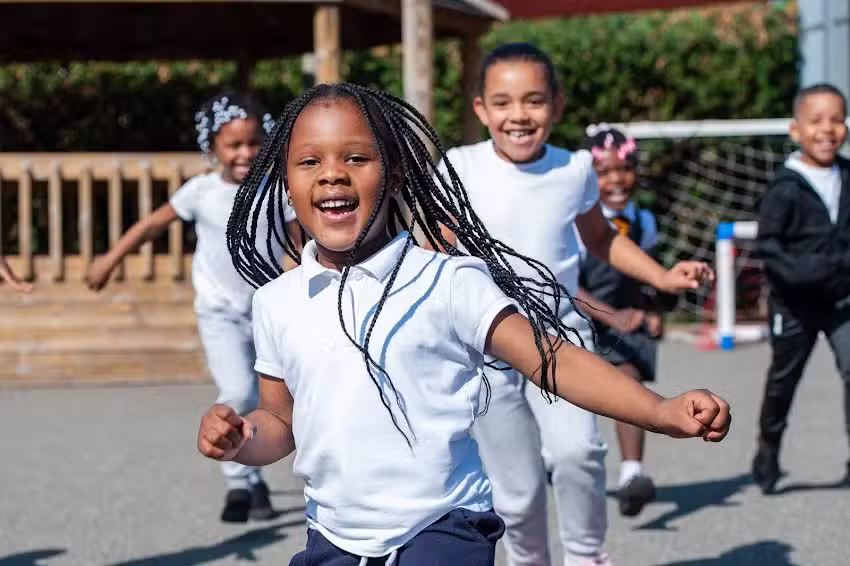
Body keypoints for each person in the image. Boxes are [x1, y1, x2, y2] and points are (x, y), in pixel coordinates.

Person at [197, 82, 731, 566]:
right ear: (285, 183)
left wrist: (659, 411)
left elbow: (553, 359)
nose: (332, 172)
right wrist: (243, 437)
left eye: (357, 157)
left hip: (445, 528)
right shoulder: (276, 302)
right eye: (308, 162)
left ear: (397, 174)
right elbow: (280, 422)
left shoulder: (448, 281)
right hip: (334, 538)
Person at [434, 43, 714, 566]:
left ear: (557, 106)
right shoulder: (457, 168)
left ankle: (586, 556)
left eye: (534, 101)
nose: (519, 115)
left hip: (559, 335)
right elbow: (434, 250)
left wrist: (662, 275)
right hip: (487, 346)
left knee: (578, 452)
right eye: (503, 102)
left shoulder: (574, 169)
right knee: (515, 492)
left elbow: (602, 239)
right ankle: (529, 560)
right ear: (481, 110)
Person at [87, 91, 302, 522]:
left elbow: (298, 244)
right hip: (219, 313)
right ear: (213, 147)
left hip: (266, 311)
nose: (245, 153)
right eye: (234, 145)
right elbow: (152, 224)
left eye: (254, 142)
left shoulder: (275, 190)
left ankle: (253, 476)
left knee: (278, 396)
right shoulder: (201, 192)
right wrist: (110, 259)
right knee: (239, 391)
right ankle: (239, 483)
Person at [753, 82, 850, 494]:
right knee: (783, 381)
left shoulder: (848, 176)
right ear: (796, 130)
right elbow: (769, 246)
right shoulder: (785, 188)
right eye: (816, 121)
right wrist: (804, 274)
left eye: (837, 120)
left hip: (843, 301)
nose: (827, 129)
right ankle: (769, 447)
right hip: (794, 305)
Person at [576, 124, 674, 517]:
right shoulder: (577, 223)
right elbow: (561, 285)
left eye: (625, 169)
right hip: (578, 317)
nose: (617, 180)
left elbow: (649, 281)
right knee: (571, 405)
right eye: (605, 172)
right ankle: (554, 456)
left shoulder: (644, 221)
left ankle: (632, 473)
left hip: (625, 322)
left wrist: (653, 313)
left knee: (628, 381)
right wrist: (609, 314)